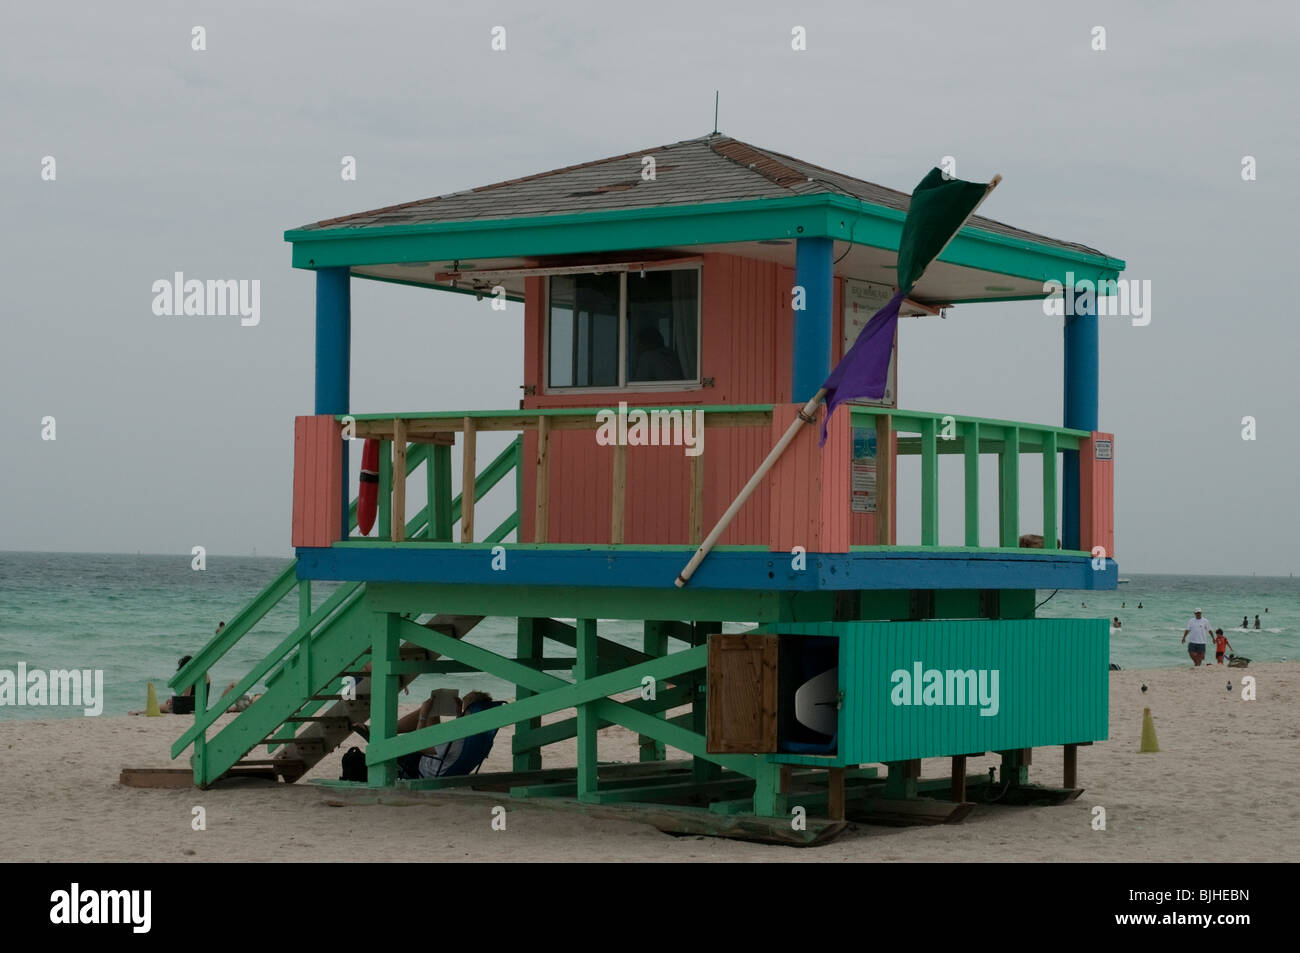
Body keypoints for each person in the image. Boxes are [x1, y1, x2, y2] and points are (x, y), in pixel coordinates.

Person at [352, 690, 496, 779]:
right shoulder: (481, 734)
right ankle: (383, 732)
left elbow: (418, 746)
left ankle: (378, 734)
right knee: (433, 711)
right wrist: (459, 714)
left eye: (465, 709)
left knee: (426, 711)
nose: (464, 712)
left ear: (470, 712)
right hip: (449, 765)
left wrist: (423, 715)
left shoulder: (457, 738)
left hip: (421, 767)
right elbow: (455, 746)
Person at [130, 655, 209, 714]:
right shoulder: (204, 673)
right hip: (200, 706)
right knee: (164, 706)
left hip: (192, 707)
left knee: (161, 707)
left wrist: (174, 701)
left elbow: (186, 697)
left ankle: (139, 712)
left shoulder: (191, 676)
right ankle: (140, 712)